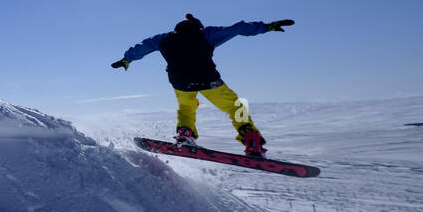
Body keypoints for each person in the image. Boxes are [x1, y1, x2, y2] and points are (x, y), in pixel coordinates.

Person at [111, 13, 294, 156]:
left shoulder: (164, 38)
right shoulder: (207, 34)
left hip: (180, 81)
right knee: (234, 106)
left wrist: (127, 59)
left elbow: (143, 46)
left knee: (186, 107)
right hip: (208, 79)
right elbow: (237, 28)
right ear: (198, 27)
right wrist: (267, 27)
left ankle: (185, 134)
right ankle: (251, 141)